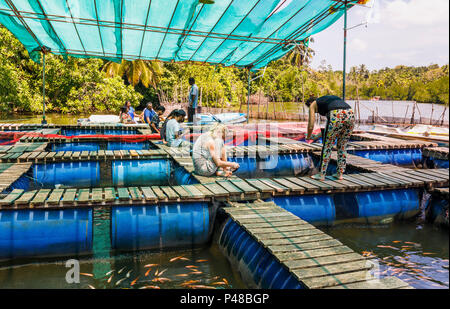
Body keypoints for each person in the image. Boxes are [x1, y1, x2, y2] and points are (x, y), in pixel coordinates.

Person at [305, 95, 355, 180]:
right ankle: (340, 174)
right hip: (350, 114)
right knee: (342, 146)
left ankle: (321, 174)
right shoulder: (327, 100)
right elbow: (329, 131)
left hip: (336, 114)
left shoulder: (313, 104)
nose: (316, 112)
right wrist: (316, 136)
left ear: (310, 103)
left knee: (327, 146)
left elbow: (311, 125)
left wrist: (309, 136)